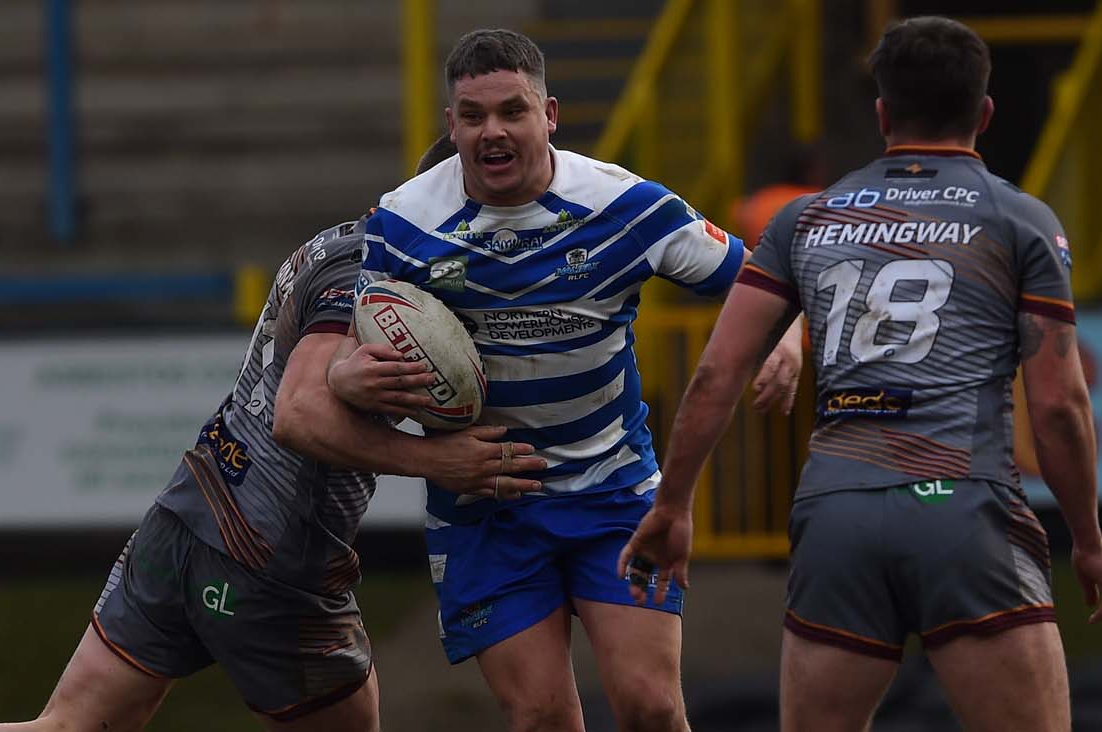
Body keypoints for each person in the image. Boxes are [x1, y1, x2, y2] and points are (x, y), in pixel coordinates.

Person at [620, 16, 1102, 732]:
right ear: (984, 113)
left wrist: (672, 505)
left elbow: (716, 376)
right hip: (963, 506)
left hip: (837, 513)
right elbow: (1058, 408)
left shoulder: (805, 217)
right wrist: (1088, 539)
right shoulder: (1018, 219)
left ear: (883, 112)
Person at [0, 136, 546, 732]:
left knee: (65, 725)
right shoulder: (366, 268)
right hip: (267, 556)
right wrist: (439, 462)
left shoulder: (342, 241)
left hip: (185, 513)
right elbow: (297, 413)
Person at [330, 28, 805, 732]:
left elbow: (772, 278)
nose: (493, 131)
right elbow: (348, 354)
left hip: (612, 492)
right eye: (473, 116)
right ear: (451, 126)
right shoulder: (404, 223)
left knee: (650, 706)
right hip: (486, 509)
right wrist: (350, 378)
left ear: (548, 115)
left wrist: (790, 336)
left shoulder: (627, 207)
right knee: (541, 716)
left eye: (512, 111)